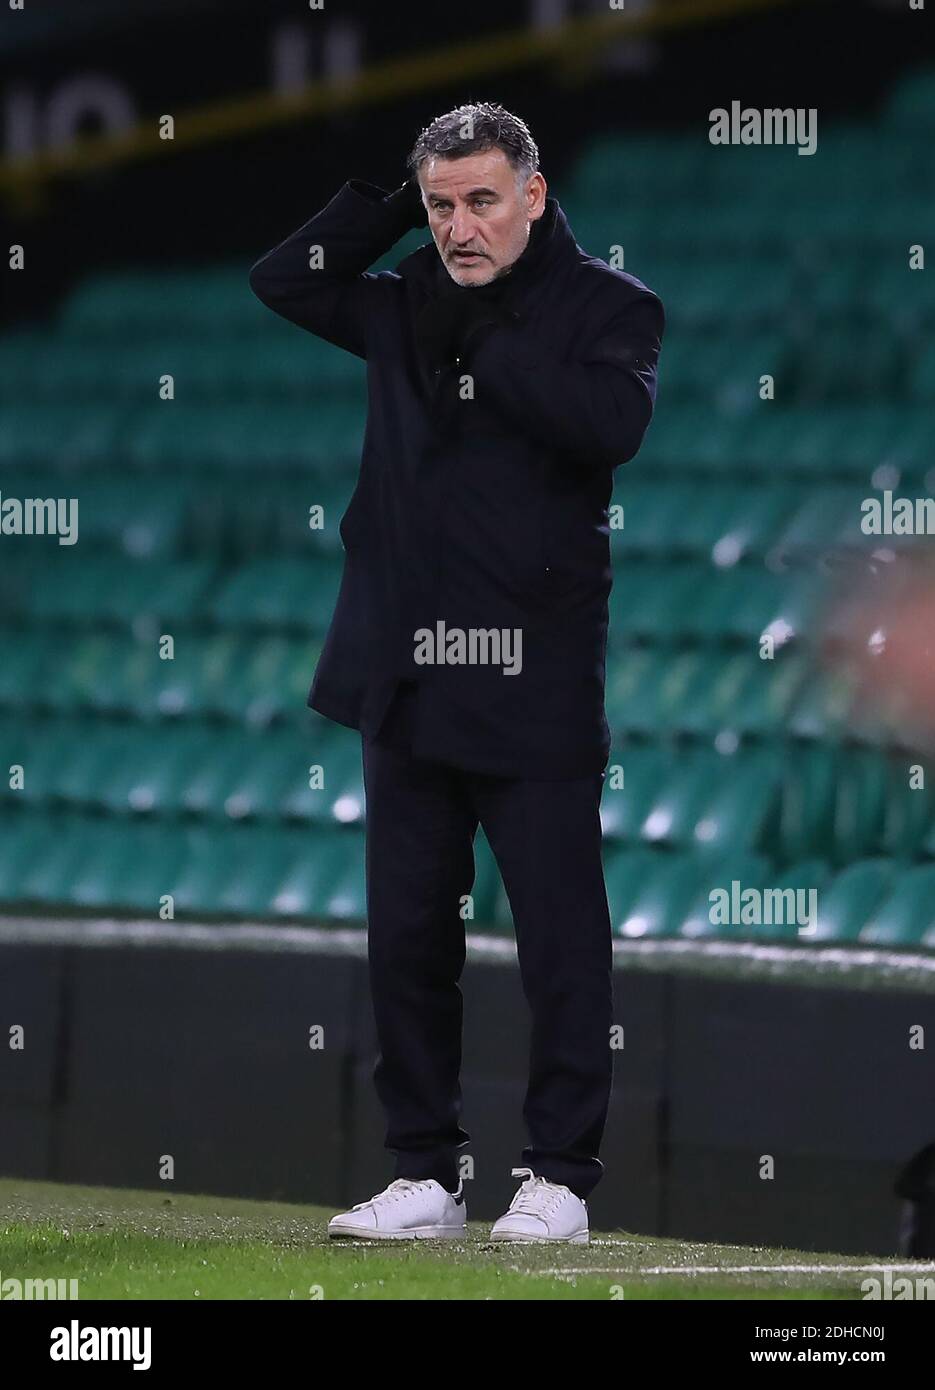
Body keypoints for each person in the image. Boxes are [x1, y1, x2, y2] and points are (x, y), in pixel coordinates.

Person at [249, 101, 664, 1243]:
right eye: (438, 207)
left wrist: (484, 327)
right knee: (408, 936)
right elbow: (281, 279)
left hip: (530, 676)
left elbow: (606, 426)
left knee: (558, 938)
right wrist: (392, 206)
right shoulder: (401, 301)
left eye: (481, 200)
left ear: (535, 192)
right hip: (404, 670)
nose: (457, 227)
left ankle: (560, 1177)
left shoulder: (610, 307)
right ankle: (425, 1169)